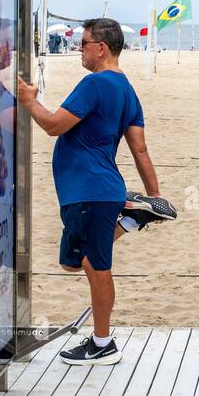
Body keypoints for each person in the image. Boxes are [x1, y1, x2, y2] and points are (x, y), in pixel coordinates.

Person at [16, 18, 174, 366]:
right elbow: (140, 149)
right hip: (93, 192)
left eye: (84, 43)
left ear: (101, 47)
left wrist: (29, 101)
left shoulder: (95, 84)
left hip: (91, 192)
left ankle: (102, 344)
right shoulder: (127, 89)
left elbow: (54, 125)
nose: (79, 49)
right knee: (72, 262)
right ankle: (135, 215)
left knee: (95, 266)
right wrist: (155, 195)